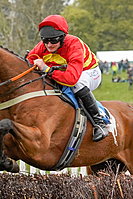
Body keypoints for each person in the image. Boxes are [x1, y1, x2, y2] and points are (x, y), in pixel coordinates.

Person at [27, 14, 108, 142]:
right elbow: (29, 61)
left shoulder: (73, 44)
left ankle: (100, 123)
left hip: (89, 72)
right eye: (45, 40)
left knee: (77, 84)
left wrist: (46, 69)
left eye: (54, 40)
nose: (49, 44)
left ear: (63, 37)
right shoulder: (42, 46)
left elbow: (71, 79)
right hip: (66, 72)